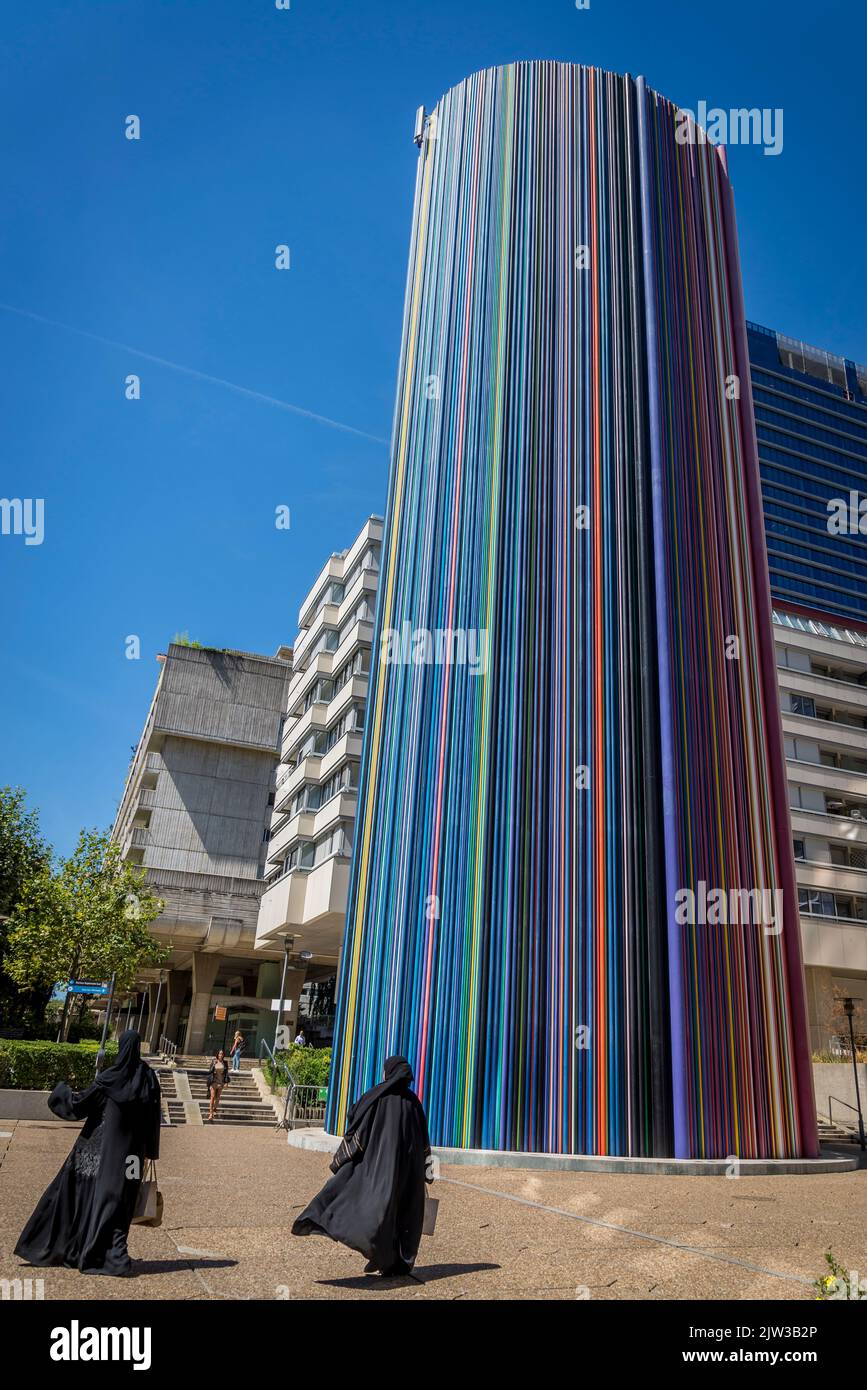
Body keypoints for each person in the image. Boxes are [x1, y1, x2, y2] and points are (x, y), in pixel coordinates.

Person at [14, 1029, 161, 1277]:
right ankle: (114, 1254)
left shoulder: (109, 1079)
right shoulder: (148, 1079)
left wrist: (60, 1092)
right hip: (132, 1157)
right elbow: (153, 1119)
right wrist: (151, 1152)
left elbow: (79, 1104)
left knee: (86, 1197)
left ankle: (86, 1251)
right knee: (122, 1201)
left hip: (101, 1153)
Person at [292, 1055, 432, 1277]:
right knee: (402, 1215)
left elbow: (359, 1133)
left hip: (379, 1170)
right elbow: (425, 1143)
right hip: (407, 1174)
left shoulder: (378, 1097)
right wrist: (427, 1173)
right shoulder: (413, 1103)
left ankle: (380, 1257)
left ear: (389, 1072)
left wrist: (342, 1160)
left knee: (375, 1212)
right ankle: (395, 1262)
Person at [206, 1048, 230, 1120]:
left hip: (221, 1082)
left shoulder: (225, 1063)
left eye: (222, 1054)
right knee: (212, 1097)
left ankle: (215, 1109)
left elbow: (226, 1073)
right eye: (220, 1053)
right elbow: (209, 1072)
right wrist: (214, 1065)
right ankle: (211, 1114)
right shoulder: (214, 1061)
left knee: (218, 1097)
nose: (221, 1055)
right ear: (217, 1054)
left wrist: (226, 1082)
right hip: (213, 1082)